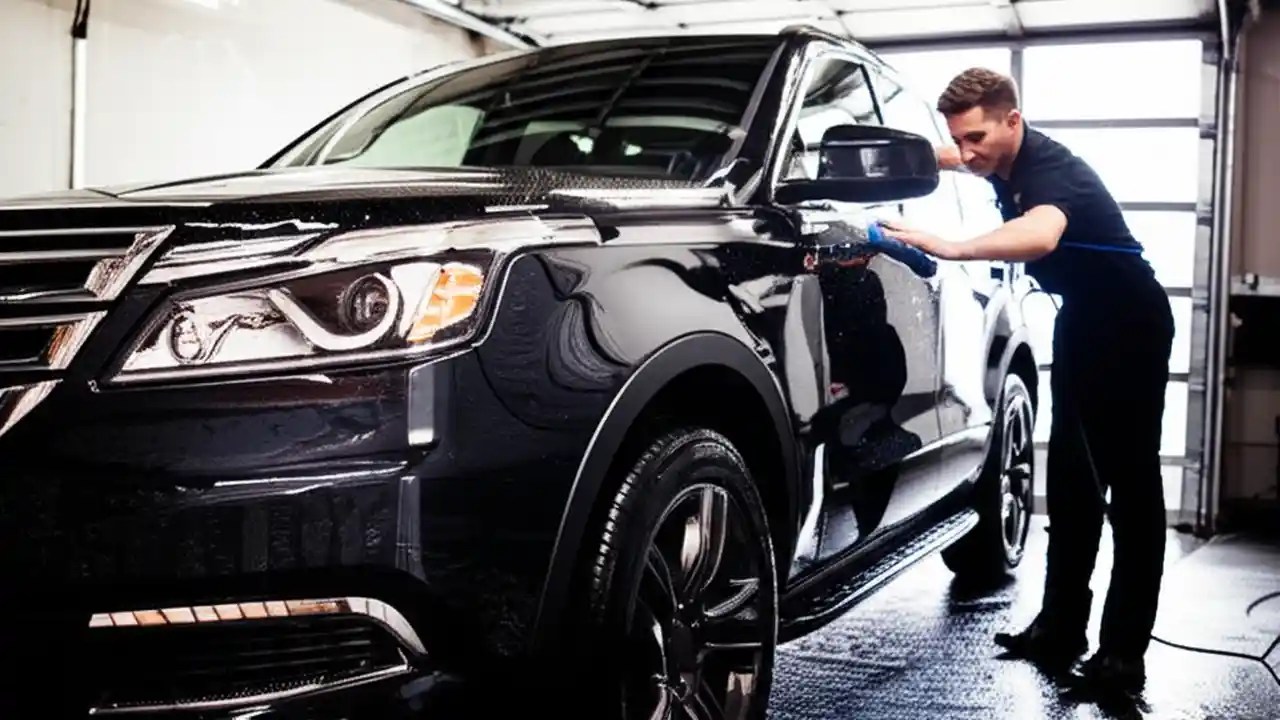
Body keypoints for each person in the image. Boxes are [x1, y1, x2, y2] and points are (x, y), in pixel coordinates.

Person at [879, 67, 1175, 694]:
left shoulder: (1051, 173)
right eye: (960, 139)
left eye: (977, 138)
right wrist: (877, 155)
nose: (967, 153)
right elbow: (947, 155)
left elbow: (1041, 235)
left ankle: (1123, 656)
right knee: (1070, 483)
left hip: (1132, 327)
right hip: (1084, 325)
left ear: (1014, 120)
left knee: (1132, 489)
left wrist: (950, 247)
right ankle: (1061, 629)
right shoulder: (993, 154)